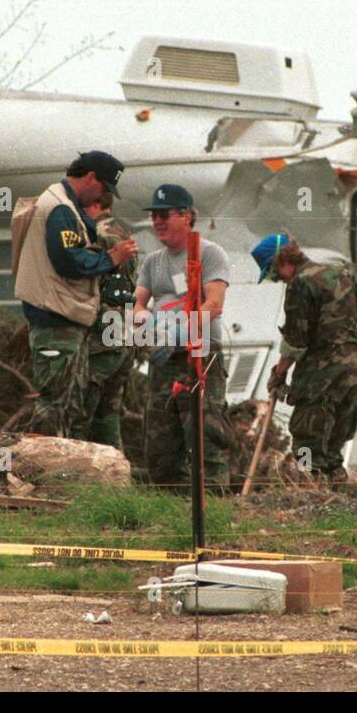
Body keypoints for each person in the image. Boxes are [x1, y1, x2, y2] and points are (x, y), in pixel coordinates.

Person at [13, 151, 137, 438]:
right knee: (56, 403)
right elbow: (68, 260)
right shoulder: (60, 208)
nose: (101, 197)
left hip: (64, 319)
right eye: (104, 188)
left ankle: (61, 474)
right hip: (56, 320)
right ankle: (46, 476)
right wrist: (111, 258)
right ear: (90, 177)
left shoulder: (65, 206)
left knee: (69, 404)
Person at [131, 184, 232, 493]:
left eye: (164, 215)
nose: (157, 222)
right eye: (154, 217)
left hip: (199, 353)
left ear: (187, 216)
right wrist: (150, 326)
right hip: (164, 357)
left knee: (204, 431)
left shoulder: (210, 253)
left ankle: (213, 505)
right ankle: (171, 505)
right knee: (161, 436)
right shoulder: (152, 262)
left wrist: (181, 330)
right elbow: (136, 304)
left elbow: (213, 304)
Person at [255, 235, 357, 484]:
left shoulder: (300, 284)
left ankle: (307, 501)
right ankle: (335, 508)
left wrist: (279, 373)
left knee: (308, 447)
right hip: (353, 371)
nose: (279, 280)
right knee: (333, 452)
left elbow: (296, 341)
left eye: (274, 273)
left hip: (320, 378)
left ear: (283, 261)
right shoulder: (341, 272)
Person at [80, 191, 139, 449]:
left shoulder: (95, 233)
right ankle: (115, 475)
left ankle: (76, 475)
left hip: (101, 333)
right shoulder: (124, 232)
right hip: (124, 332)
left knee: (83, 409)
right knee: (110, 411)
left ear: (94, 202)